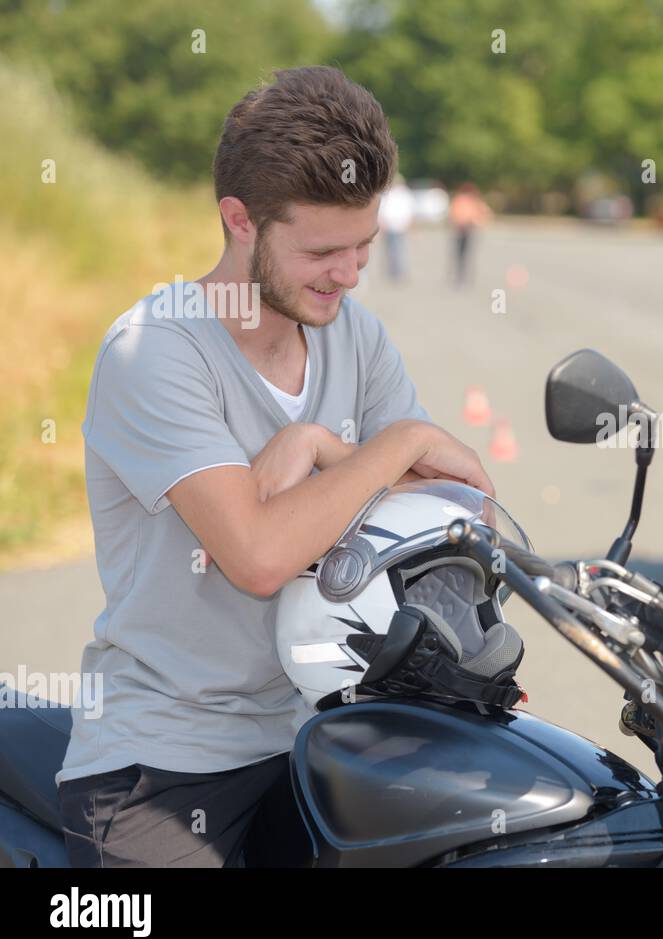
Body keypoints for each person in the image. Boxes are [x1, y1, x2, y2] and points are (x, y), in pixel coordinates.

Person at [56, 66, 494, 867]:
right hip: (165, 761)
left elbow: (469, 509)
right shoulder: (156, 350)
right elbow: (256, 554)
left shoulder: (353, 334)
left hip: (321, 736)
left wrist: (320, 447)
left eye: (364, 245)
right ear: (240, 221)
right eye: (324, 250)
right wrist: (391, 446)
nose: (351, 273)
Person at [448, 182, 490, 286]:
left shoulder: (470, 200)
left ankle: (463, 275)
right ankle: (461, 275)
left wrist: (477, 222)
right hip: (461, 229)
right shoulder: (465, 200)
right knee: (461, 254)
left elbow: (484, 213)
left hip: (467, 229)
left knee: (463, 254)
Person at [377, 174, 414, 281]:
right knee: (391, 250)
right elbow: (382, 210)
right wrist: (382, 224)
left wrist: (410, 224)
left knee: (401, 250)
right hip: (390, 226)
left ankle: (400, 271)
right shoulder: (387, 194)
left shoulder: (405, 194)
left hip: (401, 226)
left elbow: (410, 210)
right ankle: (392, 271)